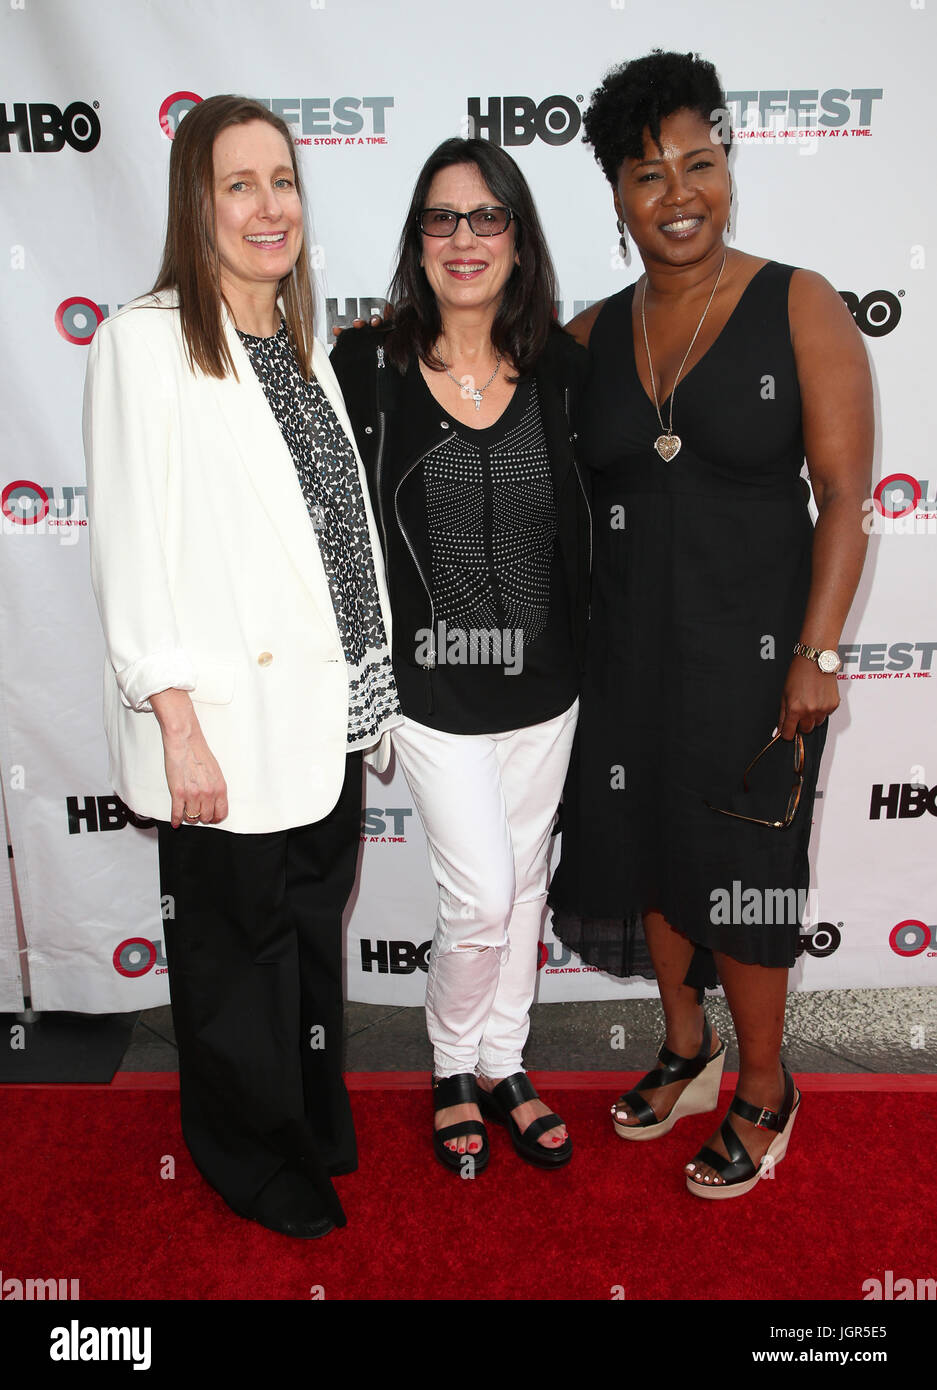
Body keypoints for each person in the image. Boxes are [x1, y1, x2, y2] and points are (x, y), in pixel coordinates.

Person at [549, 51, 872, 1198]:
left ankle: (766, 1086)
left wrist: (818, 651)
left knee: (741, 868)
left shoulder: (799, 301)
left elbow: (845, 496)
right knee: (648, 857)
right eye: (648, 173)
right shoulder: (586, 338)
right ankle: (685, 1049)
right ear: (618, 196)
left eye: (700, 162)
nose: (679, 193)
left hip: (760, 657)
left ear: (728, 166)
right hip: (627, 652)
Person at [83, 95, 399, 1236]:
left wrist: (369, 687)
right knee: (232, 955)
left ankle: (307, 1118)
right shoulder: (144, 340)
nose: (270, 206)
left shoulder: (300, 343)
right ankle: (241, 1153)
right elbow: (128, 545)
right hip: (218, 721)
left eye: (283, 181)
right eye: (239, 184)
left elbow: (331, 535)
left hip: (320, 708)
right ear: (195, 202)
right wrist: (173, 721)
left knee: (306, 934)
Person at [330, 138, 590, 1172]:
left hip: (550, 687)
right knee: (478, 895)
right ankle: (448, 1062)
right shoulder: (368, 366)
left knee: (524, 884)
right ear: (417, 240)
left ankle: (502, 1060)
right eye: (443, 218)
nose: (464, 238)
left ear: (518, 241)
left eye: (487, 218)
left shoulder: (566, 372)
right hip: (432, 691)